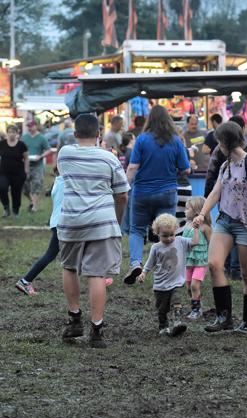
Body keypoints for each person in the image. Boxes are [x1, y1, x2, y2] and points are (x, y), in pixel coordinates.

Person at [58, 113, 129, 348]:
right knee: (96, 274)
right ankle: (96, 329)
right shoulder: (109, 159)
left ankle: (74, 318)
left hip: (71, 221)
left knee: (69, 267)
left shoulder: (64, 154)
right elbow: (122, 195)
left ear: (75, 134)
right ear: (99, 134)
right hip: (102, 221)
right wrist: (116, 221)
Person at [193, 121, 247, 334]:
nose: (217, 145)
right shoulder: (226, 166)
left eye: (219, 141)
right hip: (225, 221)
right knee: (214, 264)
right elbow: (216, 192)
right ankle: (223, 317)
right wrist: (202, 214)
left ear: (225, 141)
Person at [124, 105, 191, 284]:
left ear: (149, 120)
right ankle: (169, 267)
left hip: (142, 193)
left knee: (137, 230)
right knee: (168, 231)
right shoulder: (176, 141)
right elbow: (186, 169)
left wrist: (124, 187)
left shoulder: (141, 139)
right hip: (167, 192)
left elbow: (132, 167)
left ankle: (136, 263)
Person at [136, 214, 201, 336]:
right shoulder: (156, 247)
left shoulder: (180, 241)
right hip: (160, 285)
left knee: (177, 300)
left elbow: (194, 242)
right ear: (157, 233)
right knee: (162, 309)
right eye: (165, 236)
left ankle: (177, 322)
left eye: (172, 234)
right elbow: (150, 263)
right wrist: (144, 273)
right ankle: (163, 326)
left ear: (175, 230)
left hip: (176, 282)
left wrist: (196, 229)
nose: (169, 238)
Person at [15, 164, 63, 295]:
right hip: (64, 223)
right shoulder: (68, 181)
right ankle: (25, 281)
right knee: (52, 254)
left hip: (58, 222)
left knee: (54, 254)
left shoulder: (58, 180)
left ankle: (25, 281)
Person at [182, 197, 211, 319]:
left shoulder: (205, 227)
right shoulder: (186, 225)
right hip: (188, 260)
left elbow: (212, 244)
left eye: (187, 208)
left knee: (194, 285)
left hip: (201, 261)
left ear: (196, 211)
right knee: (188, 286)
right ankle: (196, 302)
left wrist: (211, 261)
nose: (185, 211)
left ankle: (196, 310)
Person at [21, 121, 53, 213]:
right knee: (25, 188)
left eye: (31, 126)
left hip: (37, 165)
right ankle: (32, 201)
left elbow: (49, 150)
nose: (30, 128)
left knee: (36, 184)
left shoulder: (41, 138)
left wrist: (41, 156)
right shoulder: (24, 137)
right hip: (26, 164)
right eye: (28, 126)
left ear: (36, 126)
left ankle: (34, 207)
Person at [0, 125, 29, 218]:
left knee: (16, 193)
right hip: (4, 172)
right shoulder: (2, 144)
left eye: (13, 132)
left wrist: (26, 170)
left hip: (18, 173)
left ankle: (15, 211)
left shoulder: (22, 145)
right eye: (9, 132)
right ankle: (6, 207)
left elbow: (26, 158)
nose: (11, 134)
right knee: (2, 188)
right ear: (7, 133)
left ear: (17, 134)